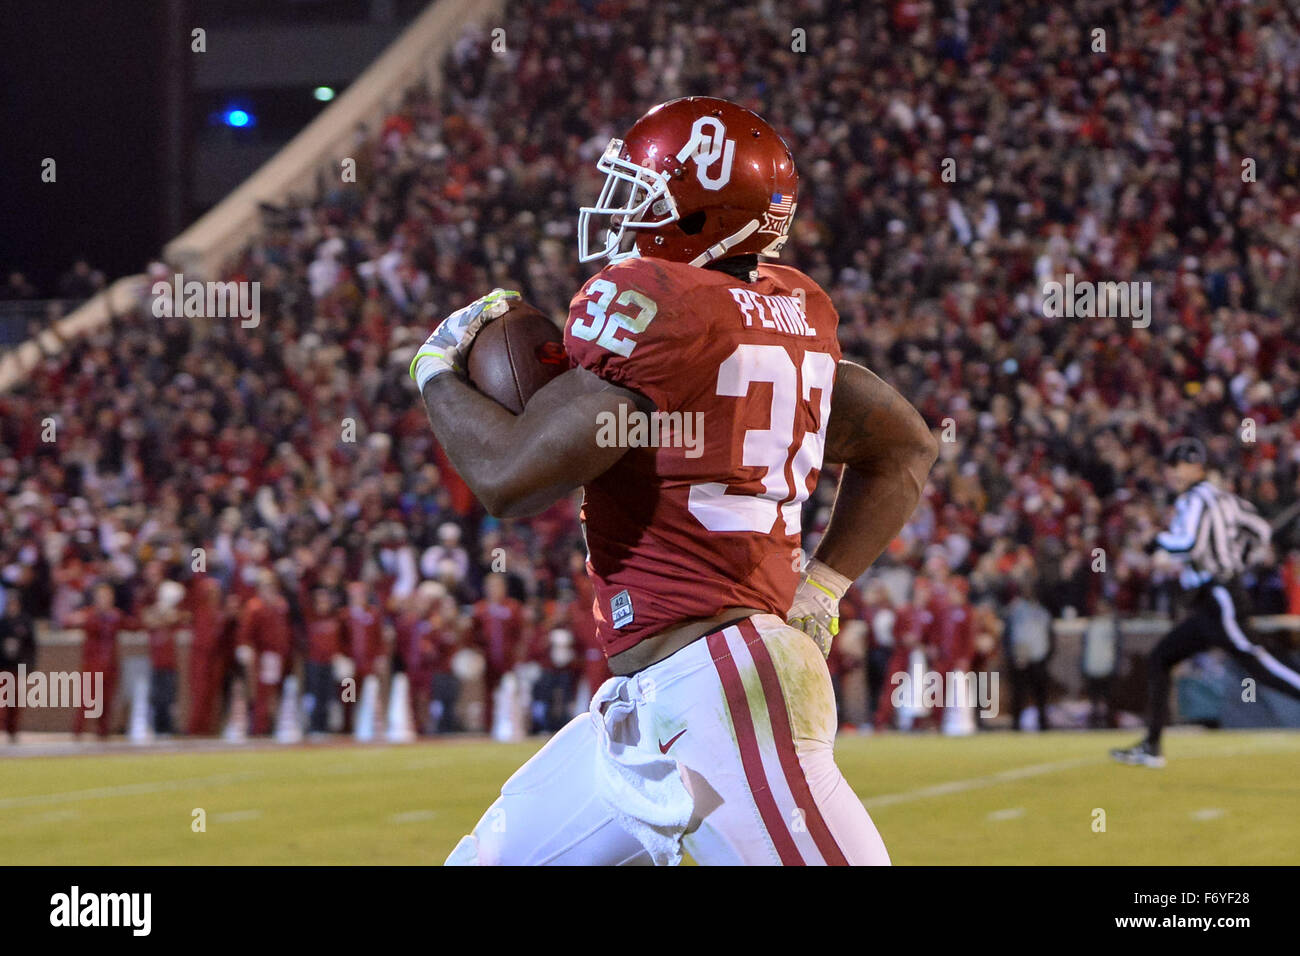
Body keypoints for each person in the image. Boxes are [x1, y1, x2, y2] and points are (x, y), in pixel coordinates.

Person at [413, 98, 936, 865]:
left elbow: (508, 480)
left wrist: (435, 370)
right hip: (645, 706)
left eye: (646, 192)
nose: (626, 211)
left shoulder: (662, 308)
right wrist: (822, 587)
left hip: (721, 690)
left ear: (700, 215)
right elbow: (906, 444)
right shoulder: (789, 312)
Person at [1112, 438, 1300, 767]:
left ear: (1193, 465)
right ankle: (1152, 747)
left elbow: (1186, 543)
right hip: (1209, 602)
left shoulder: (1195, 499)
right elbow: (1259, 530)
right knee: (1160, 658)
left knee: (1261, 664)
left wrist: (1153, 541)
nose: (1171, 473)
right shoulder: (1222, 497)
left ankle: (1152, 746)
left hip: (1220, 597)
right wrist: (1241, 559)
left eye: (1175, 465)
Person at [0, 590, 37, 741]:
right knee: (3, 700)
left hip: (17, 667)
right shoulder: (2, 623)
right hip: (3, 667)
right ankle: (2, 729)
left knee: (15, 700)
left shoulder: (25, 622)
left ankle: (13, 730)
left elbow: (31, 646)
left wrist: (29, 666)